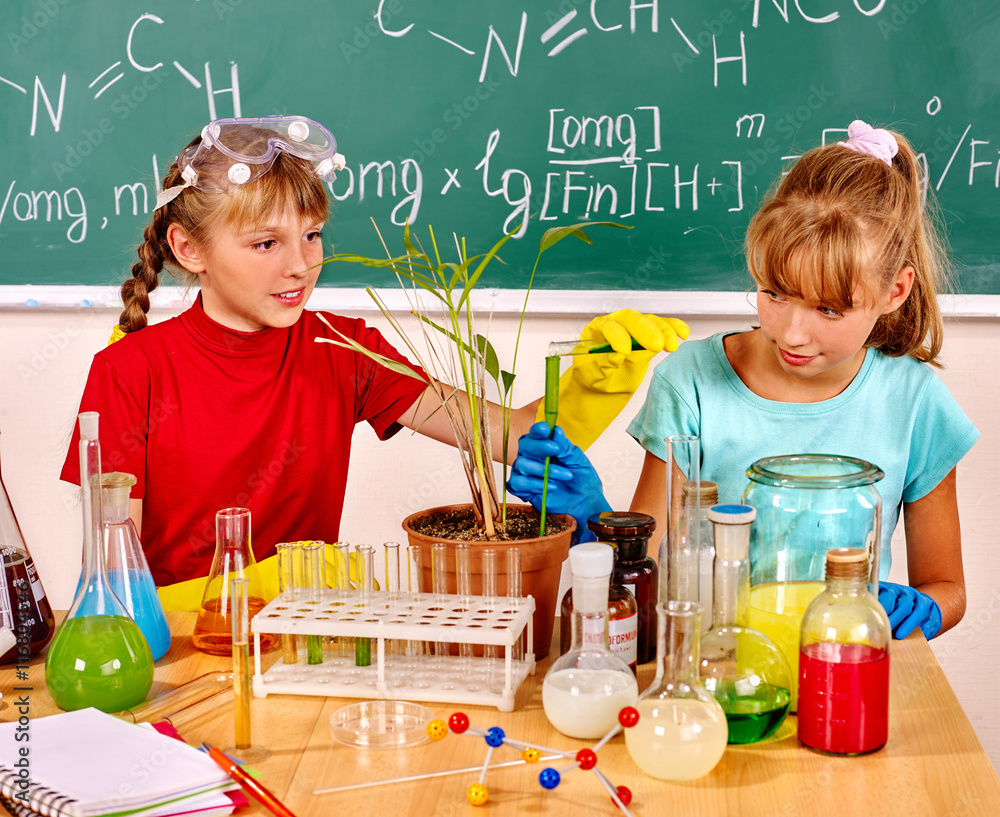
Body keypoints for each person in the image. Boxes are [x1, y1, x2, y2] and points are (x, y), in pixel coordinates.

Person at [59, 115, 686, 594]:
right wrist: (230, 599)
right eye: (264, 244)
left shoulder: (344, 347)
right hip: (178, 648)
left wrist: (593, 381)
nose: (301, 264)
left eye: (311, 236)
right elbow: (112, 577)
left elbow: (507, 437)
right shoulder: (128, 371)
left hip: (305, 630)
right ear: (189, 249)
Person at [509, 121, 980, 641]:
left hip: (841, 671)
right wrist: (596, 522)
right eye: (774, 293)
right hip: (717, 672)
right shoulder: (690, 382)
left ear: (895, 290)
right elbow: (648, 577)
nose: (793, 333)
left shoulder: (916, 403)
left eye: (827, 308)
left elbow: (946, 585)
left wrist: (925, 606)